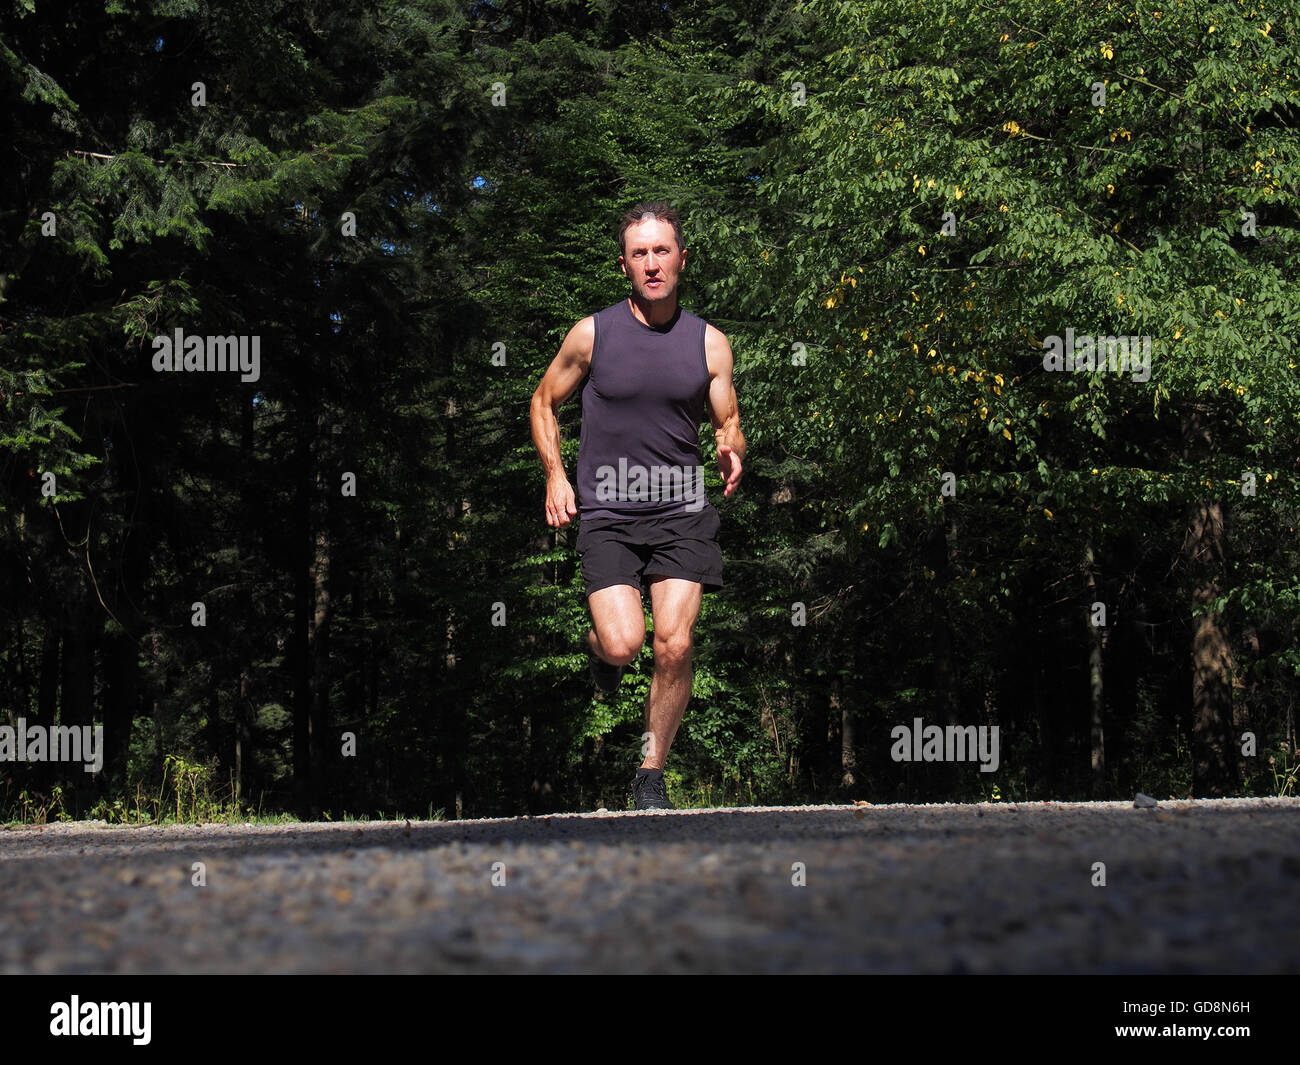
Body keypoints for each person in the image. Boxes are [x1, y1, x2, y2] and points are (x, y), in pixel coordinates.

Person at [529, 202, 745, 810]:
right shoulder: (593, 334)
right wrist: (554, 475)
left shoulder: (709, 343)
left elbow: (729, 421)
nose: (652, 264)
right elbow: (543, 402)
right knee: (625, 644)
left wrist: (732, 447)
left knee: (674, 644)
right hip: (609, 512)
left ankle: (650, 775)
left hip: (681, 510)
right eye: (639, 253)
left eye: (661, 251)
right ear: (624, 265)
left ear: (681, 258)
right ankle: (602, 655)